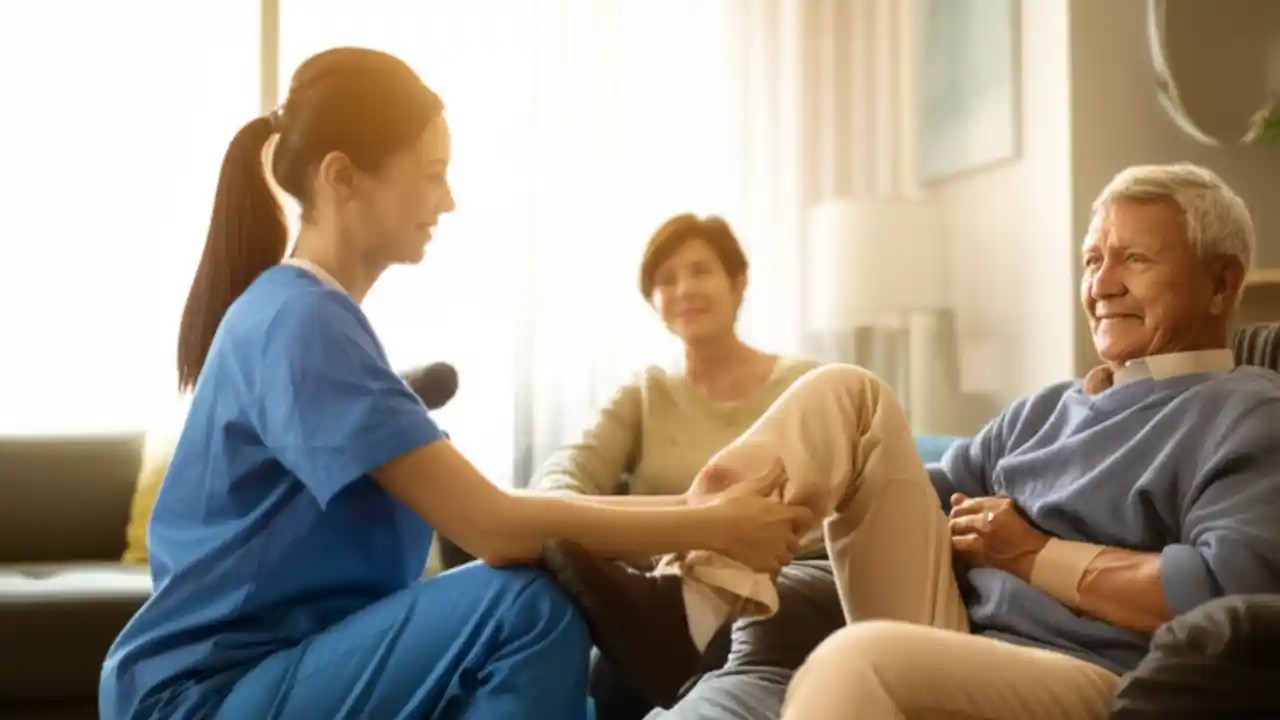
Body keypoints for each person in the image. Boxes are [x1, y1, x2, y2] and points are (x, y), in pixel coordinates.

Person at [97, 47, 813, 720]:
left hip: (263, 670)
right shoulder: (300, 321)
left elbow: (482, 514)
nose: (448, 201)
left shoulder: (306, 316)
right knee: (523, 607)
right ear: (343, 177)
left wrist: (692, 516)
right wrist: (707, 523)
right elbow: (492, 525)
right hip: (202, 695)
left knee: (522, 611)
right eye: (431, 172)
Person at [543, 162, 1280, 719]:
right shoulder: (1047, 408)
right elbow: (911, 503)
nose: (1102, 284)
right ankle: (691, 596)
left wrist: (1035, 554)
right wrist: (756, 542)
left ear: (1220, 285)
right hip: (956, 634)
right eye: (1093, 260)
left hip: (1088, 672)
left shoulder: (1246, 411)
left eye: (1136, 260)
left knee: (860, 661)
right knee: (851, 391)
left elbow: (1221, 595)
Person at [525, 213, 822, 717]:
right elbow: (560, 478)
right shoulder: (645, 394)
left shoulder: (810, 384)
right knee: (610, 657)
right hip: (656, 589)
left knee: (622, 665)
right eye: (665, 280)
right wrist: (657, 533)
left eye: (700, 270)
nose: (684, 289)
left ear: (738, 281)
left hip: (778, 580)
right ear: (655, 305)